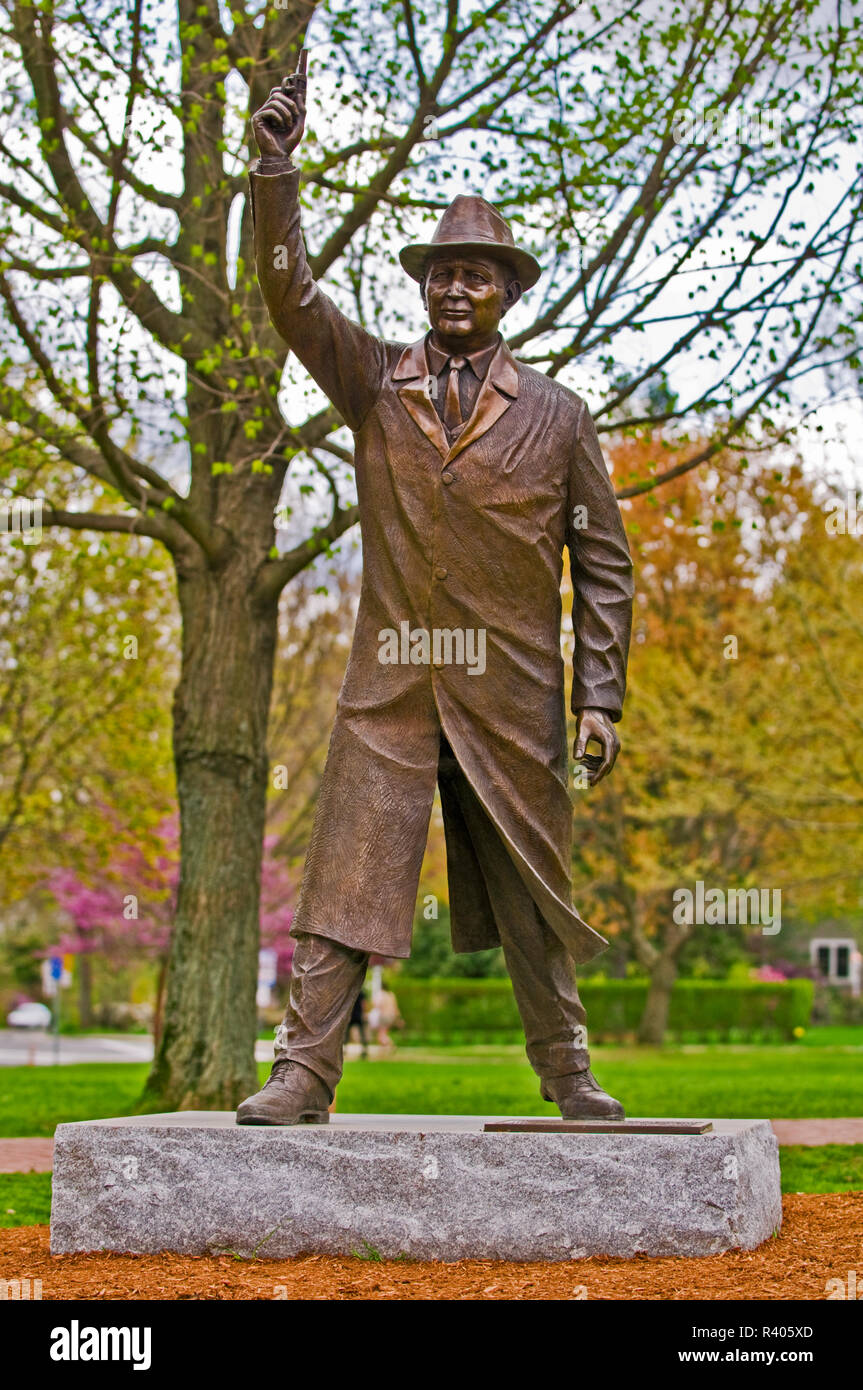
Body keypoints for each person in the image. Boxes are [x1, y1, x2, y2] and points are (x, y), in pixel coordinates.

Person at [237, 70, 633, 1127]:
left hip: (509, 690)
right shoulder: (372, 380)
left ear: (507, 292)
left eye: (476, 276)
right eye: (441, 275)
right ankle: (304, 1072)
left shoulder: (558, 417)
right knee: (346, 874)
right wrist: (274, 172)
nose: (455, 290)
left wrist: (599, 695)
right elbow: (291, 300)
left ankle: (567, 1071)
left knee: (531, 893)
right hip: (395, 677)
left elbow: (602, 561)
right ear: (423, 289)